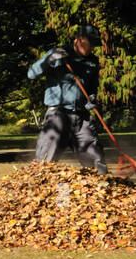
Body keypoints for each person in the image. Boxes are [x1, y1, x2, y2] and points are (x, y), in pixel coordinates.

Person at [28, 23, 106, 174]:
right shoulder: (58, 53)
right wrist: (49, 59)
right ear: (79, 39)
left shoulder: (92, 61)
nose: (92, 48)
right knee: (45, 162)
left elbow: (92, 88)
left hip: (81, 117)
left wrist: (92, 100)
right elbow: (31, 74)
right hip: (58, 115)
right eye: (90, 43)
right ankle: (36, 192)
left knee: (96, 159)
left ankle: (104, 190)